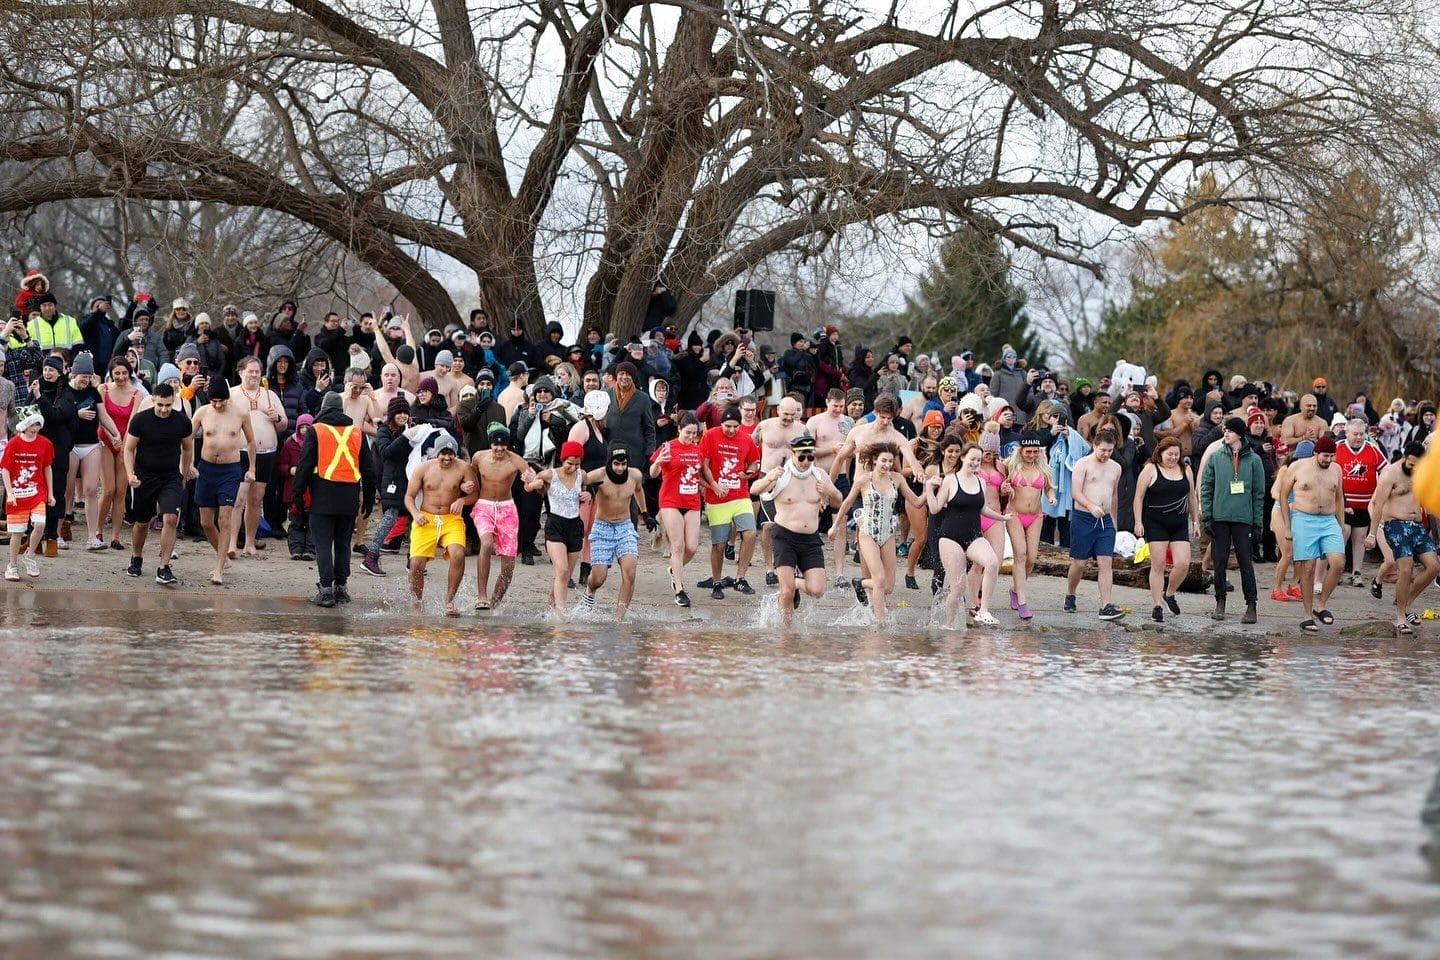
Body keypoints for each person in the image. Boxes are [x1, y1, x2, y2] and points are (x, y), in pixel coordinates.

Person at [291, 391, 376, 607]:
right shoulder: (356, 432)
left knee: (322, 545)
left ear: (323, 409)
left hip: (323, 496)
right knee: (342, 544)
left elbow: (304, 466)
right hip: (349, 498)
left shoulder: (316, 431)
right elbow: (368, 468)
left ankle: (326, 590)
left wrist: (297, 495)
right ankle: (341, 588)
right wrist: (367, 498)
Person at [750, 435, 844, 625]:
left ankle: (794, 582)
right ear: (793, 454)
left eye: (810, 457)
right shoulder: (782, 474)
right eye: (801, 457)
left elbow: (838, 501)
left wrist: (830, 491)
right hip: (784, 536)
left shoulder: (819, 475)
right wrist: (768, 477)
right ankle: (787, 633)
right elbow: (754, 489)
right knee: (786, 592)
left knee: (817, 590)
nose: (805, 462)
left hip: (810, 539)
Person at [834, 441, 927, 621]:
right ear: (875, 460)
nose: (887, 465)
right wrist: (835, 525)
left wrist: (928, 488)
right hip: (867, 532)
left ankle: (859, 583)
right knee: (879, 581)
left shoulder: (897, 479)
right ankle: (879, 623)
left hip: (887, 533)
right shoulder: (863, 480)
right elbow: (846, 503)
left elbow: (916, 502)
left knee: (889, 587)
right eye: (884, 461)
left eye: (890, 461)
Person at [122, 382, 194, 586]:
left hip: (171, 476)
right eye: (160, 405)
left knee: (171, 518)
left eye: (168, 405)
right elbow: (129, 449)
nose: (164, 410)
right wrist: (129, 474)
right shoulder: (141, 420)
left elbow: (188, 447)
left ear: (174, 402)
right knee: (142, 522)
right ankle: (136, 556)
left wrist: (184, 471)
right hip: (145, 476)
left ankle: (164, 566)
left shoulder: (181, 421)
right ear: (153, 400)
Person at [189, 378, 257, 585]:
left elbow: (251, 441)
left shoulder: (240, 413)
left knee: (225, 519)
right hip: (206, 468)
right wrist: (188, 464)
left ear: (227, 398)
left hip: (230, 470)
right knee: (206, 522)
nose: (217, 405)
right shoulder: (202, 412)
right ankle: (223, 557)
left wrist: (252, 468)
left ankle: (218, 568)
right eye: (214, 401)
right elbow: (187, 439)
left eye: (221, 401)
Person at [1368, 443, 1440, 635]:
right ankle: (1400, 616)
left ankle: (1408, 603)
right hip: (1395, 524)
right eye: (1412, 464)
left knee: (1433, 566)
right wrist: (1372, 534)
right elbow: (1378, 505)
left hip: (1416, 525)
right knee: (1406, 568)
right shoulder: (1390, 474)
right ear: (1405, 457)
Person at [1198, 416, 1264, 622]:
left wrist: (1258, 522)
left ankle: (1251, 605)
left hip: (1244, 519)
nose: (1225, 433)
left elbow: (1258, 493)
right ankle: (1220, 603)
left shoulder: (1254, 460)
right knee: (1219, 563)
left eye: (1230, 431)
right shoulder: (1216, 457)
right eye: (1225, 430)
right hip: (1219, 517)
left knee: (1246, 562)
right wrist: (1207, 516)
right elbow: (1206, 488)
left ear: (1240, 434)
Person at [1278, 434, 1346, 632]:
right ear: (1316, 453)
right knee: (1307, 568)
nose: (1328, 460)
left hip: (1328, 520)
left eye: (1331, 456)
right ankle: (1307, 615)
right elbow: (1283, 495)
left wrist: (1341, 524)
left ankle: (1321, 605)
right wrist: (1287, 526)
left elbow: (1340, 498)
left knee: (1338, 563)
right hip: (1303, 518)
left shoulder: (1336, 469)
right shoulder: (1297, 467)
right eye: (1325, 456)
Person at [404, 433, 476, 616]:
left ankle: (449, 601)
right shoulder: (423, 469)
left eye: (451, 454)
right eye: (443, 454)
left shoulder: (464, 468)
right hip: (425, 518)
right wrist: (415, 513)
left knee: (458, 554)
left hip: (450, 519)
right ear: (436, 453)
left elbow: (475, 494)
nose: (447, 458)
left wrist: (463, 500)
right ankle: (416, 604)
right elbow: (409, 497)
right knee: (416, 563)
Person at [1133, 437, 1200, 622]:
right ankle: (1157, 605)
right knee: (1159, 564)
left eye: (1176, 454)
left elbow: (1192, 497)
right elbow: (1138, 497)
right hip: (1155, 523)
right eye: (1169, 454)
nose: (1172, 457)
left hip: (1179, 523)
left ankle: (1169, 593)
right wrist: (1138, 522)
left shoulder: (1185, 470)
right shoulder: (1150, 469)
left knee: (1183, 563)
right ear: (1160, 453)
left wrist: (1195, 522)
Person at [469, 427, 536, 610]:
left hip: (507, 508)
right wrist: (466, 487)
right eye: (496, 445)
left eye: (503, 445)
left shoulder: (516, 461)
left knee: (509, 563)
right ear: (490, 444)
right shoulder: (479, 457)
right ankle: (481, 595)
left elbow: (533, 482)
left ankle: (494, 603)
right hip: (484, 505)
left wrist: (532, 479)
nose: (499, 449)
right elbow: (468, 474)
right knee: (486, 543)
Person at [1063, 427, 1127, 621]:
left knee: (1106, 561)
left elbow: (1113, 494)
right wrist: (1090, 506)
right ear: (1094, 445)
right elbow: (1076, 493)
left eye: (1110, 450)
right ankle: (1070, 593)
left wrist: (1114, 519)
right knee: (1080, 563)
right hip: (1084, 517)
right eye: (1102, 450)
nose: (1106, 454)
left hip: (1105, 520)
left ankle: (1106, 605)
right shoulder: (1082, 464)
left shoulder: (1116, 467)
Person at [698, 406, 762, 598]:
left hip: (740, 494)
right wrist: (713, 485)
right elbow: (704, 464)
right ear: (721, 423)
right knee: (719, 544)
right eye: (728, 426)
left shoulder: (746, 439)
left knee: (750, 533)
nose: (732, 430)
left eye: (735, 426)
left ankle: (740, 578)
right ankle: (716, 582)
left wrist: (748, 472)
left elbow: (754, 462)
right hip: (717, 498)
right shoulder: (710, 435)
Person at [228, 356, 287, 557]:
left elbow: (284, 425)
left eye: (257, 371)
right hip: (241, 453)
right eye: (250, 371)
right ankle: (231, 543)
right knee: (238, 499)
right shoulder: (232, 394)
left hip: (266, 453)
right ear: (241, 372)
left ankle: (250, 543)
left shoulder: (270, 395)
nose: (254, 375)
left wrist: (276, 418)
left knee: (256, 500)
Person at [581, 444, 646, 622]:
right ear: (609, 463)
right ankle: (589, 592)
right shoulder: (597, 475)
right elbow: (578, 483)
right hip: (602, 527)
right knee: (599, 578)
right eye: (616, 464)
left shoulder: (635, 475)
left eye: (623, 464)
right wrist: (588, 491)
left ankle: (619, 617)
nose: (620, 468)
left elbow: (639, 491)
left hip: (625, 526)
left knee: (630, 571)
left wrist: (645, 513)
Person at [524, 440, 589, 615]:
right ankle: (561, 615)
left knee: (564, 575)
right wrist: (534, 484)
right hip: (555, 525)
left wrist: (587, 494)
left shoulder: (582, 475)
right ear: (562, 460)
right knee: (562, 570)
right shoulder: (549, 474)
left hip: (575, 526)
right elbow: (529, 486)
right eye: (570, 464)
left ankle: (550, 606)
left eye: (577, 464)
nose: (574, 468)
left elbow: (585, 492)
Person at [648, 411, 705, 606]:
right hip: (670, 500)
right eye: (687, 432)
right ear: (679, 429)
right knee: (678, 546)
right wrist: (658, 462)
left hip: (692, 501)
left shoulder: (697, 450)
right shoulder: (667, 447)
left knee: (692, 547)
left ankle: (674, 569)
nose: (690, 437)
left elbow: (702, 474)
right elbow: (653, 472)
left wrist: (713, 486)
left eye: (694, 433)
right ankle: (680, 590)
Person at [1002, 432, 1056, 620]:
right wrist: (1004, 488)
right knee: (1021, 554)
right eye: (1028, 452)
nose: (1032, 455)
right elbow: (1001, 485)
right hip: (1015, 514)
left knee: (1031, 559)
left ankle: (1015, 589)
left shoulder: (1043, 466)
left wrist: (1050, 496)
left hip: (1036, 516)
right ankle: (1023, 603)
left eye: (1035, 452)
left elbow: (1048, 486)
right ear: (1021, 450)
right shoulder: (1010, 465)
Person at [0, 407, 54, 581]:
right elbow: (5, 469)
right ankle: (12, 565)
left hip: (37, 491)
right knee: (17, 532)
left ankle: (30, 555)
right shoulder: (14, 443)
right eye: (32, 423)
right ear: (24, 425)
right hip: (17, 493)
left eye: (38, 423)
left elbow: (47, 468)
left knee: (40, 524)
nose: (35, 427)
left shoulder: (45, 444)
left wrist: (50, 493)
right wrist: (10, 493)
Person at [1333, 416, 1387, 586]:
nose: (1358, 437)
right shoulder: (1337, 448)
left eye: (1361, 434)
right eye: (1355, 434)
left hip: (1365, 503)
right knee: (1343, 532)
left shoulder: (1372, 449)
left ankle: (1356, 572)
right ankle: (1337, 569)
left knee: (1360, 537)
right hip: (1343, 502)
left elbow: (1386, 471)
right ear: (1346, 433)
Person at [99, 355, 141, 549]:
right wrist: (113, 436)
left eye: (124, 372)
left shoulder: (136, 394)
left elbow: (133, 420)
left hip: (126, 443)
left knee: (121, 491)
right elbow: (102, 416)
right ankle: (98, 531)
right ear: (111, 373)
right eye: (117, 373)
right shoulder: (103, 389)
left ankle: (115, 536)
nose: (121, 376)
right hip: (105, 440)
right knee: (108, 490)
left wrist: (124, 444)